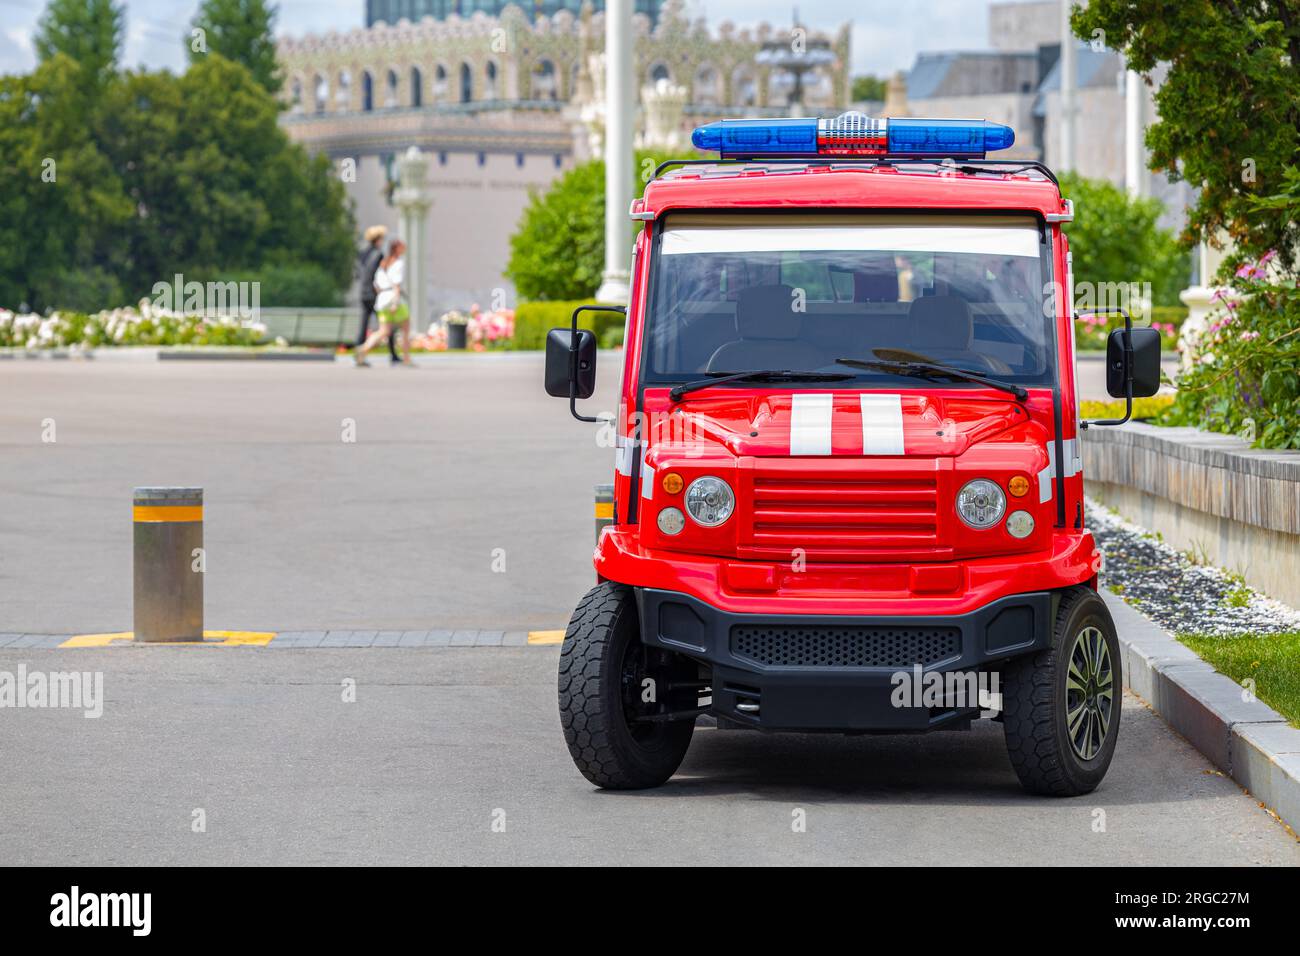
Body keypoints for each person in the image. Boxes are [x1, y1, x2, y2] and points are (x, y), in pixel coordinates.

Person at [356, 238, 413, 367]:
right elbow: (396, 284)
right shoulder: (398, 263)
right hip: (393, 298)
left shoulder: (384, 262)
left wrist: (383, 295)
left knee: (383, 331)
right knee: (406, 328)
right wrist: (395, 301)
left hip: (382, 298)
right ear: (397, 248)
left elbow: (376, 284)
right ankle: (407, 358)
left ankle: (363, 349)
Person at [356, 225, 398, 362]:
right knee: (387, 324)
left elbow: (360, 274)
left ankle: (358, 352)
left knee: (363, 325)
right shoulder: (378, 254)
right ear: (378, 239)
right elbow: (380, 275)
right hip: (374, 294)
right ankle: (393, 355)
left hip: (363, 292)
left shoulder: (363, 253)